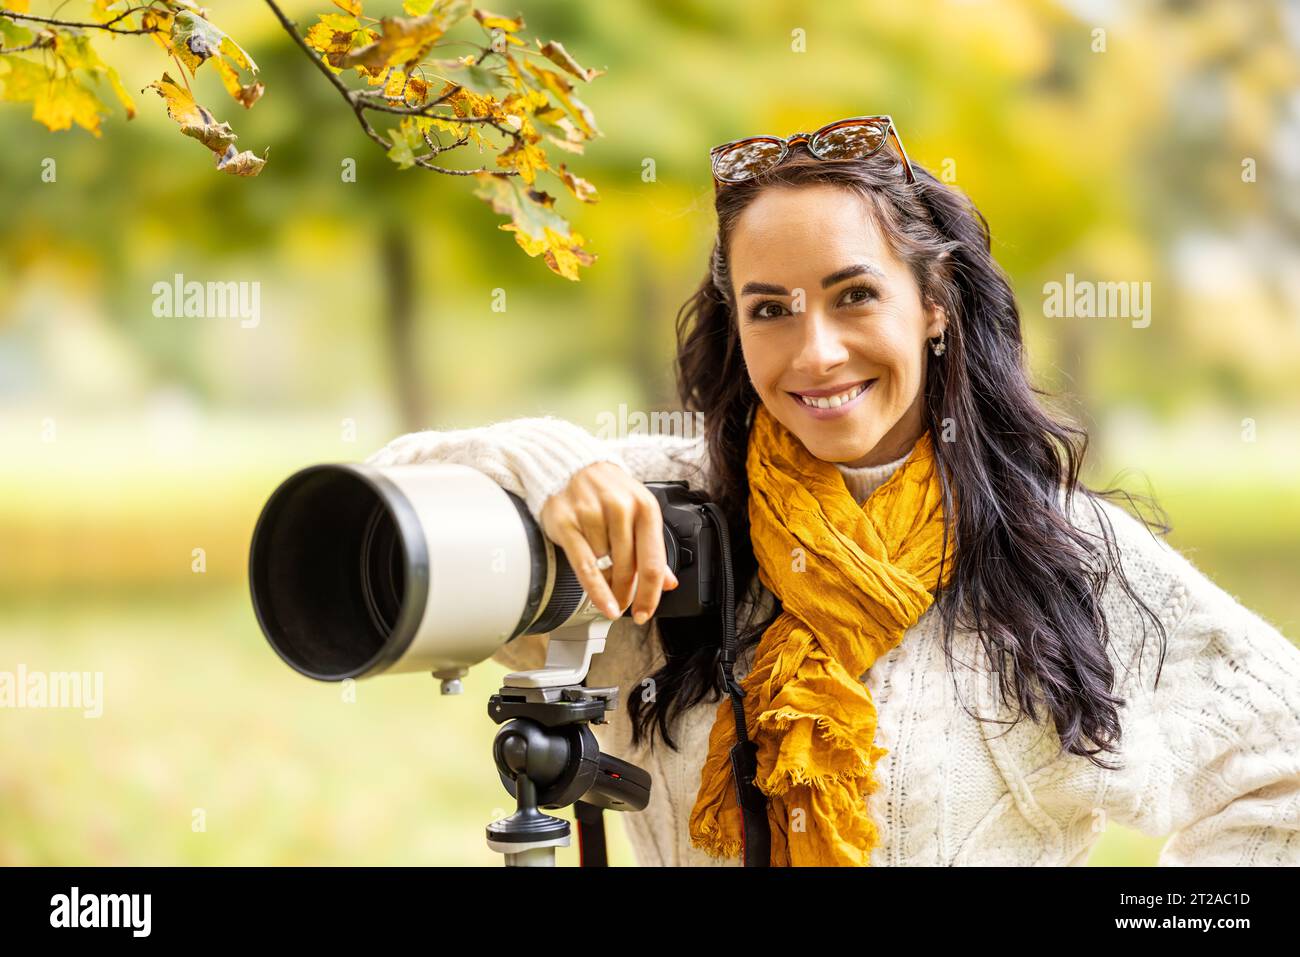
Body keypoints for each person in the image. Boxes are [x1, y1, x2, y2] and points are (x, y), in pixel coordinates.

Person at [365, 115, 1300, 867]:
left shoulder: (1061, 553)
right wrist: (552, 465)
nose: (814, 352)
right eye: (770, 308)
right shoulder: (659, 514)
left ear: (935, 306)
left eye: (854, 295)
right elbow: (378, 514)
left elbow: (1282, 777)